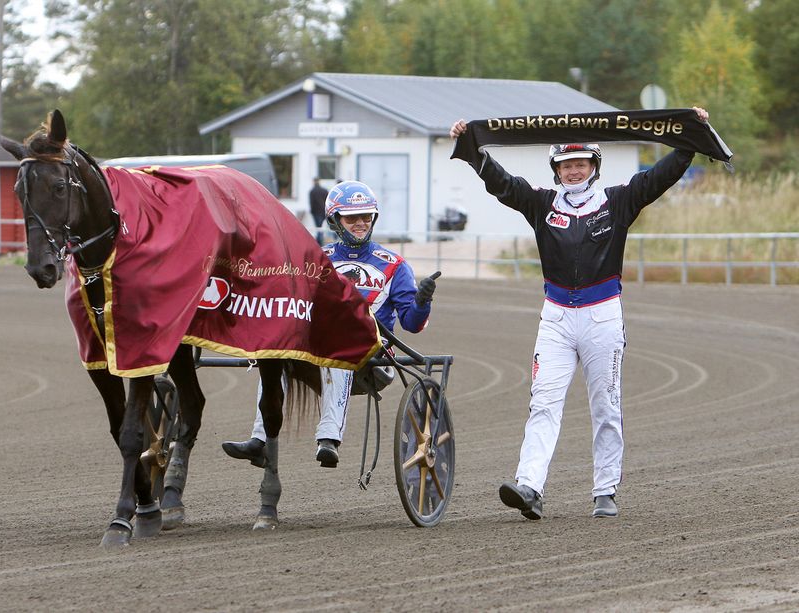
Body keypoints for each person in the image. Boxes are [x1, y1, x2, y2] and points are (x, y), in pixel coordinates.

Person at [449, 107, 710, 520]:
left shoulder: (619, 201)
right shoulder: (541, 204)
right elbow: (503, 185)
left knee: (605, 404)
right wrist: (471, 149)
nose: (574, 171)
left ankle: (605, 490)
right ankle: (529, 486)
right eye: (566, 165)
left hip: (602, 316)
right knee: (543, 403)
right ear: (556, 169)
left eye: (581, 163)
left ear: (594, 166)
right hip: (554, 318)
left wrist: (688, 134)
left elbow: (660, 176)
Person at [222, 180, 439, 467]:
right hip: (318, 351)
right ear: (336, 221)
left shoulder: (395, 266)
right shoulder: (315, 258)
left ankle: (329, 439)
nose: (360, 223)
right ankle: (259, 440)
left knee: (336, 346)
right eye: (352, 218)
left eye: (366, 216)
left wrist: (422, 302)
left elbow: (411, 325)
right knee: (273, 355)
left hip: (372, 358)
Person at [309, 177, 329, 245]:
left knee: (318, 226)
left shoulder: (312, 191)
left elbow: (311, 203)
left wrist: (312, 211)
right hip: (323, 211)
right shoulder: (324, 190)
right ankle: (319, 240)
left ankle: (319, 242)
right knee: (321, 227)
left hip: (316, 212)